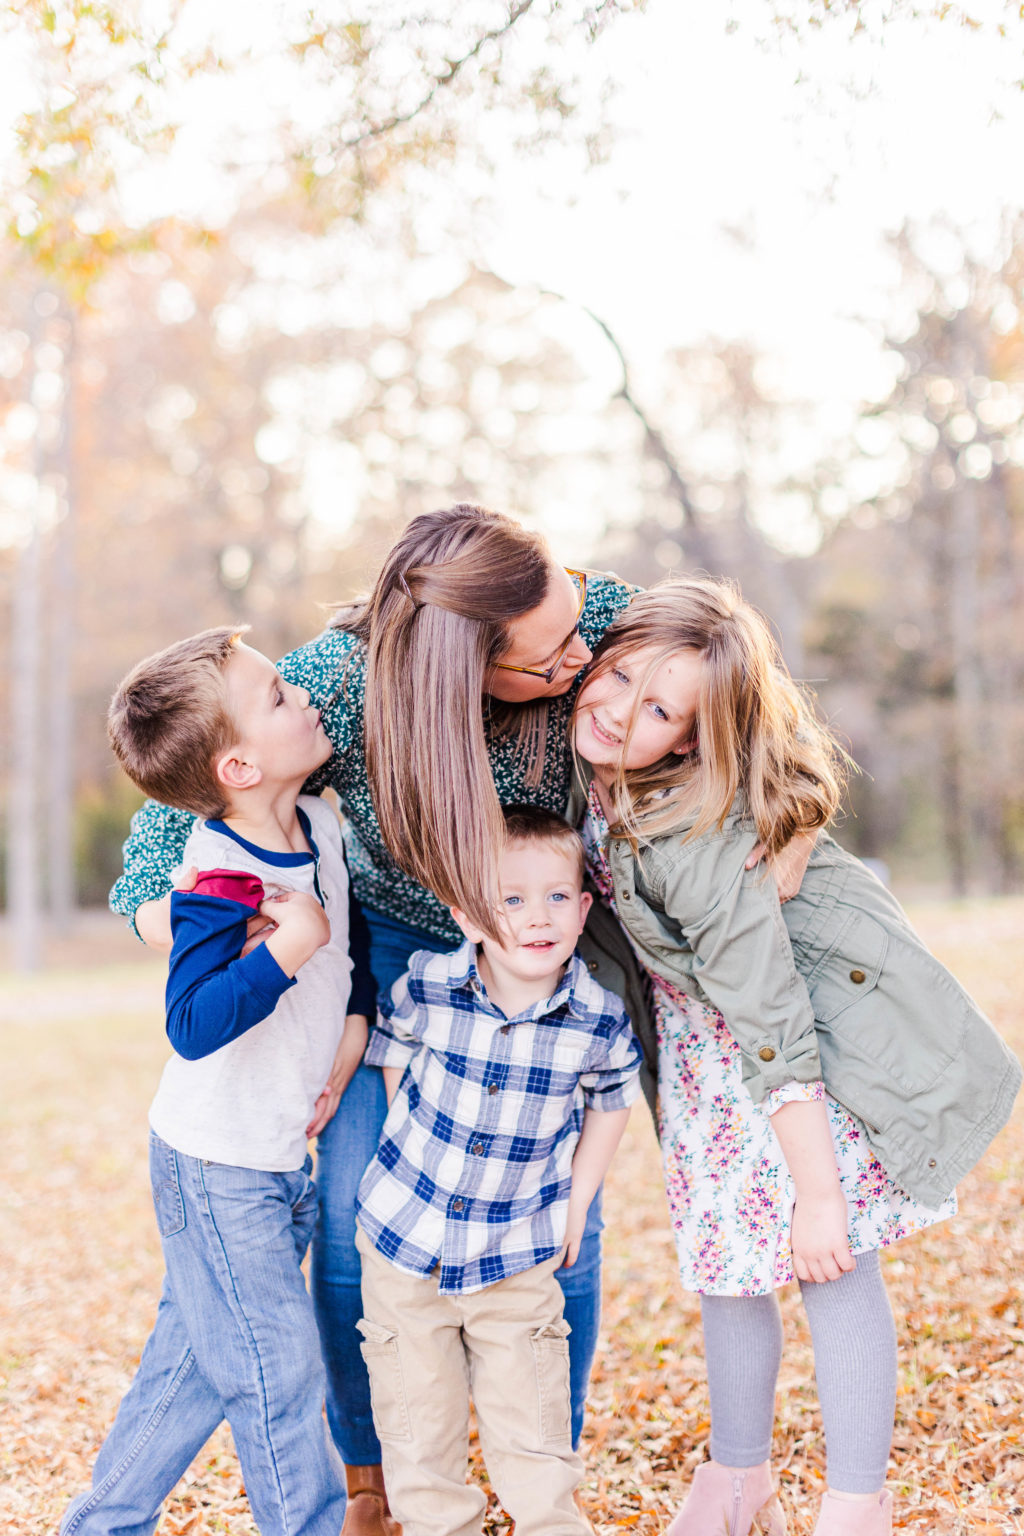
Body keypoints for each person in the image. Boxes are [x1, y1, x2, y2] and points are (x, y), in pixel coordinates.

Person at [108, 506, 807, 1526]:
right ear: (463, 666)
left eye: (577, 624)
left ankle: (542, 1466)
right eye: (548, 658)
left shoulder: (587, 618)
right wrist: (199, 928)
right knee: (354, 1219)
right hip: (396, 954)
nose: (581, 659)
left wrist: (793, 812)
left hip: (544, 942)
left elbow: (743, 691)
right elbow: (164, 825)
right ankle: (373, 1477)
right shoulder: (339, 686)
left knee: (556, 1219)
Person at [570, 577, 1022, 1536]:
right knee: (726, 1268)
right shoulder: (598, 767)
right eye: (617, 676)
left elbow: (771, 1012)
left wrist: (819, 1192)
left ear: (688, 742)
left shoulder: (699, 841)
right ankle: (738, 1481)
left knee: (830, 1261)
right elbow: (560, 595)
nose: (619, 709)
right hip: (706, 1075)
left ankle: (857, 1501)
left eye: (659, 710)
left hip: (786, 1075)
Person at [64, 627, 374, 1536]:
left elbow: (347, 947)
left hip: (275, 1158)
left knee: (194, 1365)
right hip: (216, 1163)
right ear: (238, 767)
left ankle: (101, 1524)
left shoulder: (321, 826)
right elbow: (192, 1022)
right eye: (278, 694)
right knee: (278, 1372)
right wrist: (286, 947)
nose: (303, 695)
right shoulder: (219, 881)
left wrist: (353, 1019)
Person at [354, 807, 642, 1536]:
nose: (537, 917)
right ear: (468, 915)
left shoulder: (596, 1019)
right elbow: (393, 1048)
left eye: (556, 896)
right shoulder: (430, 985)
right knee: (419, 1433)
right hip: (404, 1247)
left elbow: (613, 1100)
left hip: (516, 1257)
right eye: (511, 899)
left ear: (583, 910)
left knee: (534, 1437)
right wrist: (405, 1148)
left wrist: (577, 1203)